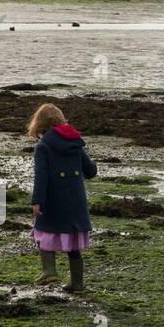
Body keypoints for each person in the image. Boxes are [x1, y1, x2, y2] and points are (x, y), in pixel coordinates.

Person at [27, 103, 97, 292]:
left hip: (54, 200)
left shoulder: (43, 147)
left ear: (40, 124)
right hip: (76, 202)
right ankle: (77, 283)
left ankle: (49, 269)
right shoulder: (76, 142)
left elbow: (41, 176)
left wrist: (36, 201)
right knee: (73, 244)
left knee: (43, 232)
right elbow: (90, 172)